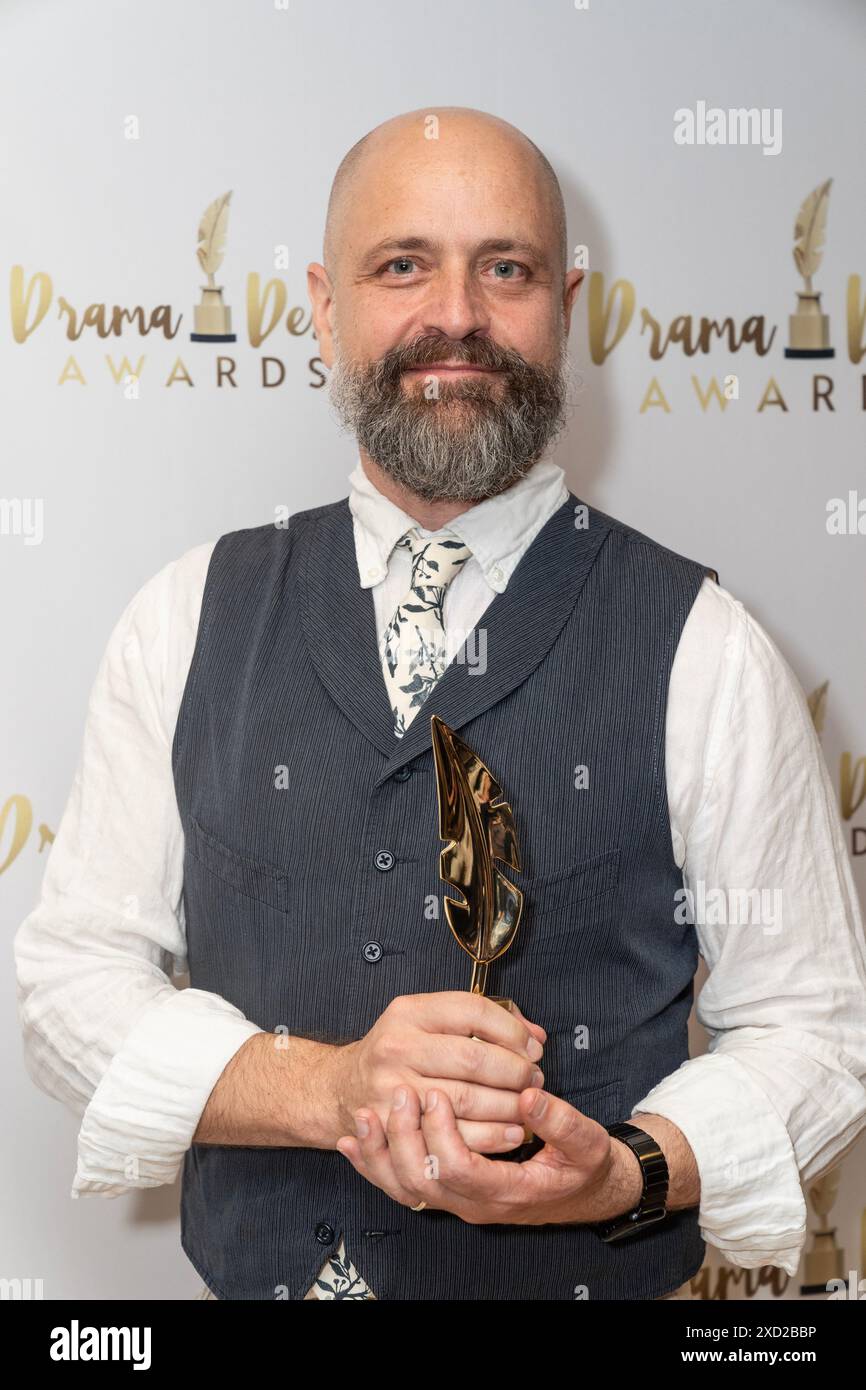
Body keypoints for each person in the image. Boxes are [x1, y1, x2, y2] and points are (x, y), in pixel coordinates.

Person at [14, 107, 866, 1302]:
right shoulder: (183, 617)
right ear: (321, 303)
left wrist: (629, 1171)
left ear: (565, 306)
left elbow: (814, 1030)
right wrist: (321, 1088)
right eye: (401, 264)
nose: (455, 316)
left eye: (503, 269)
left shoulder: (705, 647)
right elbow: (72, 982)